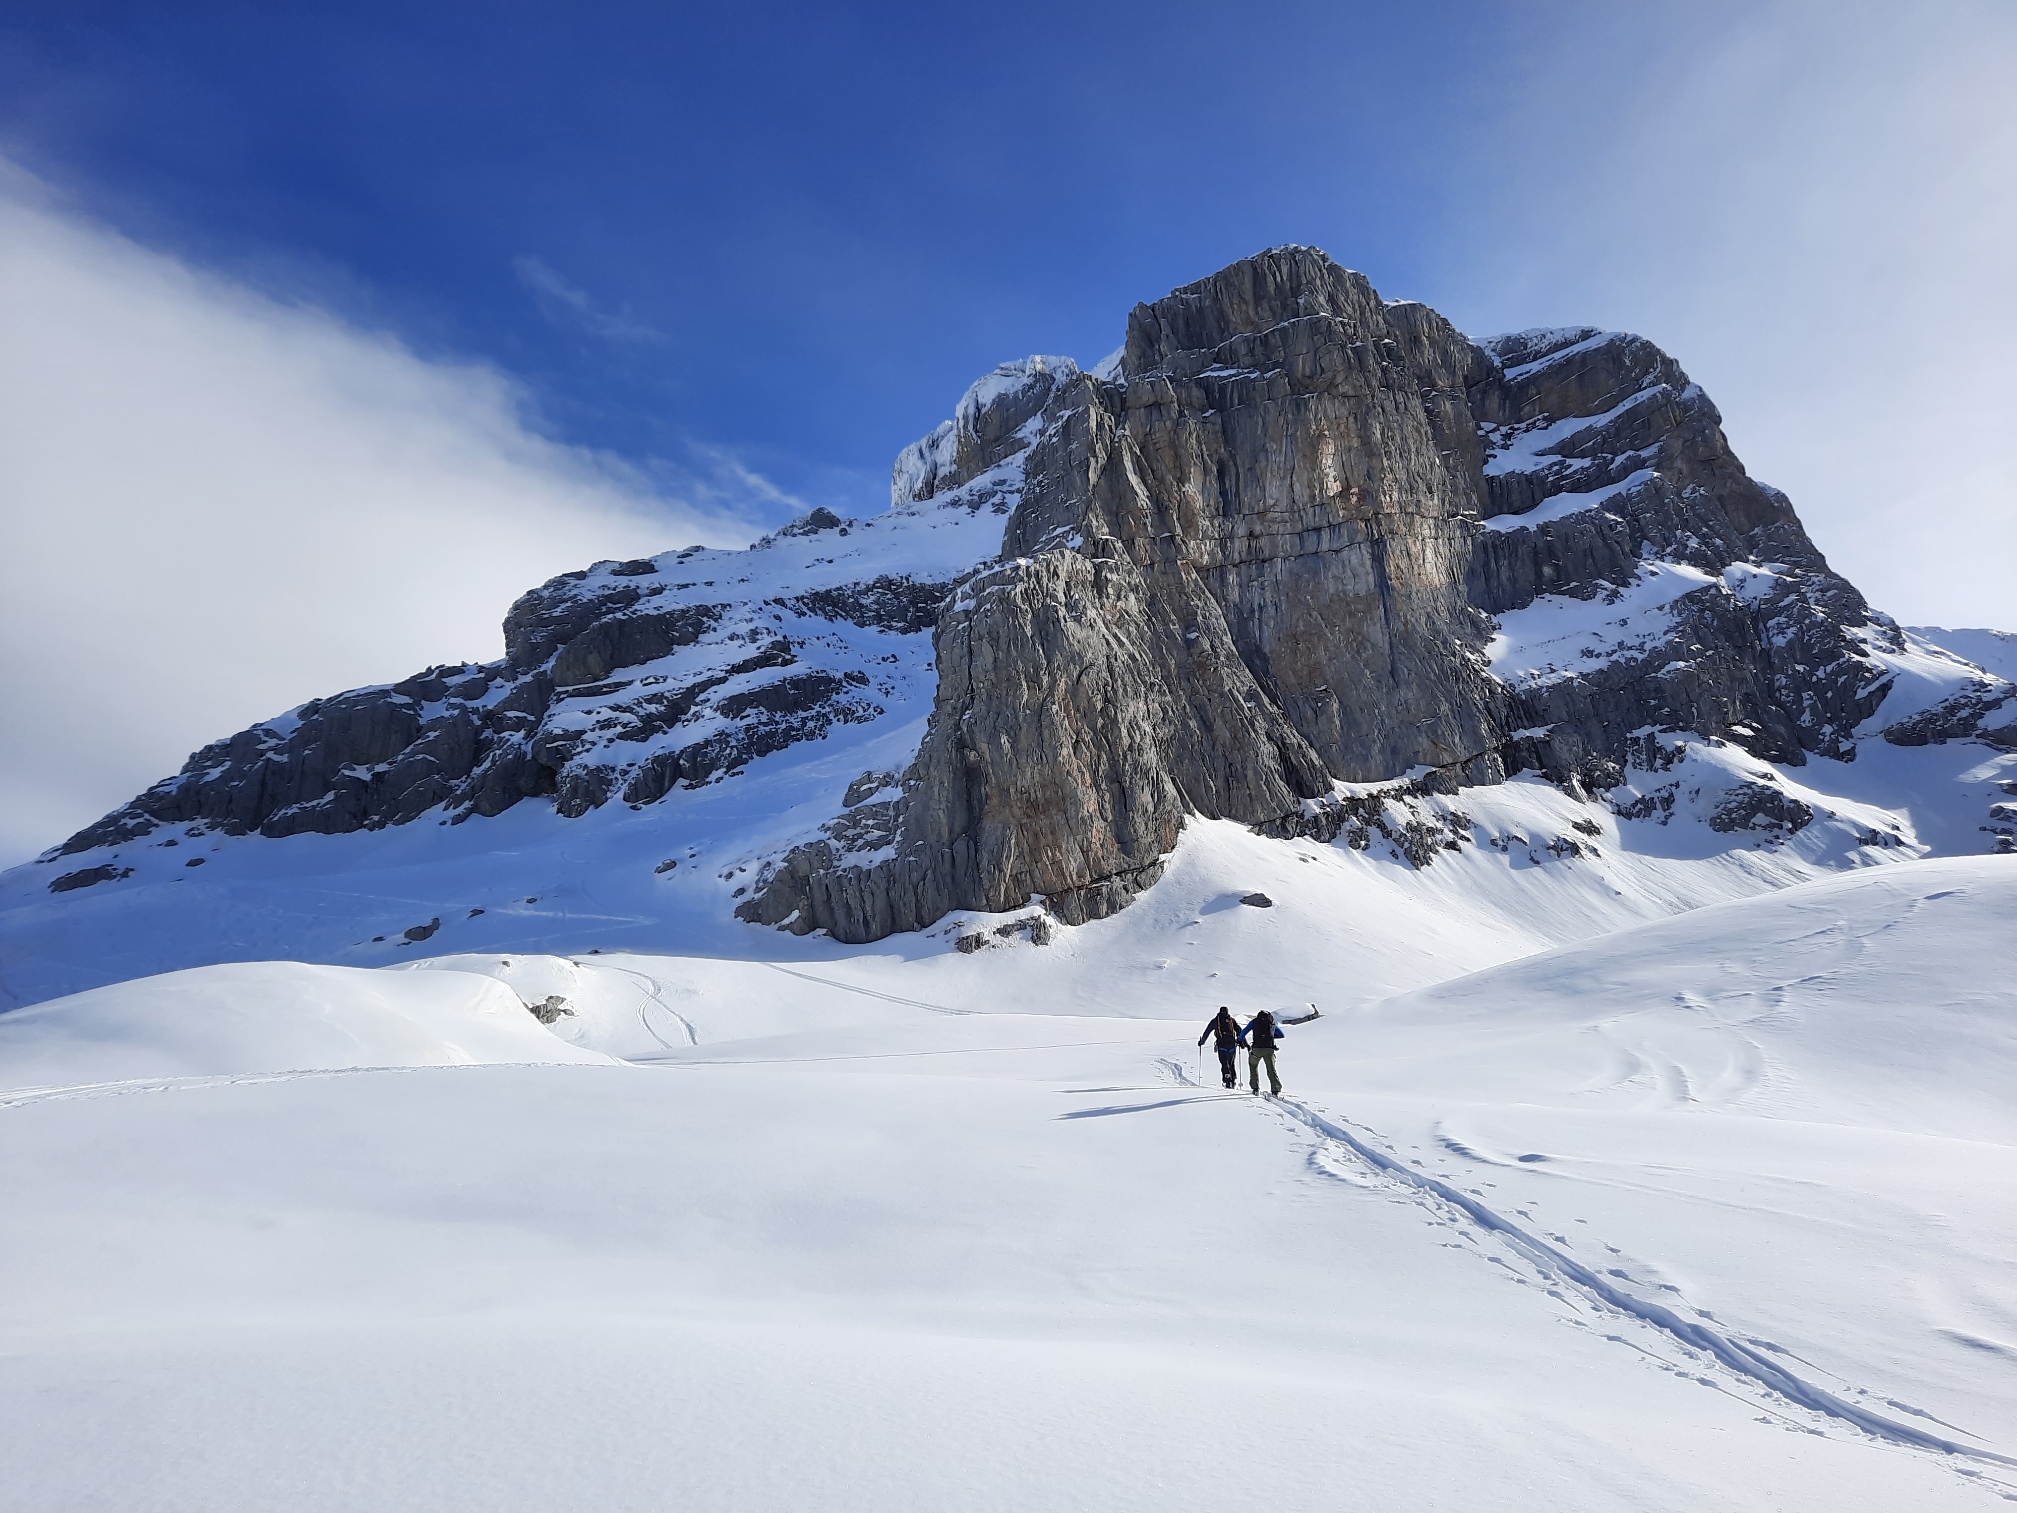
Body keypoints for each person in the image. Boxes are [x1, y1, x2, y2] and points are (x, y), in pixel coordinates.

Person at [1239, 1008, 1286, 1096]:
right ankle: (1275, 1090)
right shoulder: (1271, 1022)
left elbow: (1243, 1032)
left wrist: (1239, 1040)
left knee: (1253, 1066)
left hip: (1256, 1049)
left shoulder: (1254, 1022)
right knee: (1271, 1069)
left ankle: (1255, 1088)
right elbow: (1281, 1035)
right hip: (1269, 1049)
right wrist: (1271, 1037)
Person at [1197, 1006, 1241, 1089]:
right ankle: (1233, 1081)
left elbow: (1207, 1031)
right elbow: (1239, 1030)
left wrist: (1201, 1042)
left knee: (1224, 1063)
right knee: (1231, 1063)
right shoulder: (1231, 1020)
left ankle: (1227, 1080)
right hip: (1232, 1045)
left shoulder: (1215, 1021)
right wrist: (1242, 1042)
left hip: (1222, 1045)